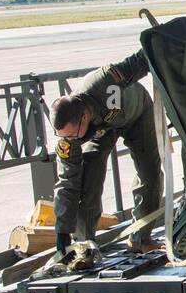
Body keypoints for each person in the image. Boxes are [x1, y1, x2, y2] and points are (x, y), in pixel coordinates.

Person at [50, 49, 162, 255]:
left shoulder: (103, 82)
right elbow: (67, 183)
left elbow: (140, 60)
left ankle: (140, 238)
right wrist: (62, 232)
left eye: (73, 136)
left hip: (137, 113)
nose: (71, 141)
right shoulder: (69, 136)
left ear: (83, 117)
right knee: (88, 179)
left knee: (150, 175)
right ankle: (85, 247)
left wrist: (161, 44)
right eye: (65, 137)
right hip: (104, 130)